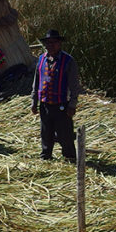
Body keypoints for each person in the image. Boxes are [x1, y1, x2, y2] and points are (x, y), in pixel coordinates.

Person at [31, 29, 80, 161]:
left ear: (60, 43)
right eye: (48, 43)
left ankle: (69, 157)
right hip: (45, 104)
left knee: (65, 134)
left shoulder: (68, 61)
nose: (50, 45)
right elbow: (37, 82)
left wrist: (72, 105)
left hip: (61, 105)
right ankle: (46, 156)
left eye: (54, 42)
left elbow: (74, 86)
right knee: (46, 132)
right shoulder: (41, 59)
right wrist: (34, 101)